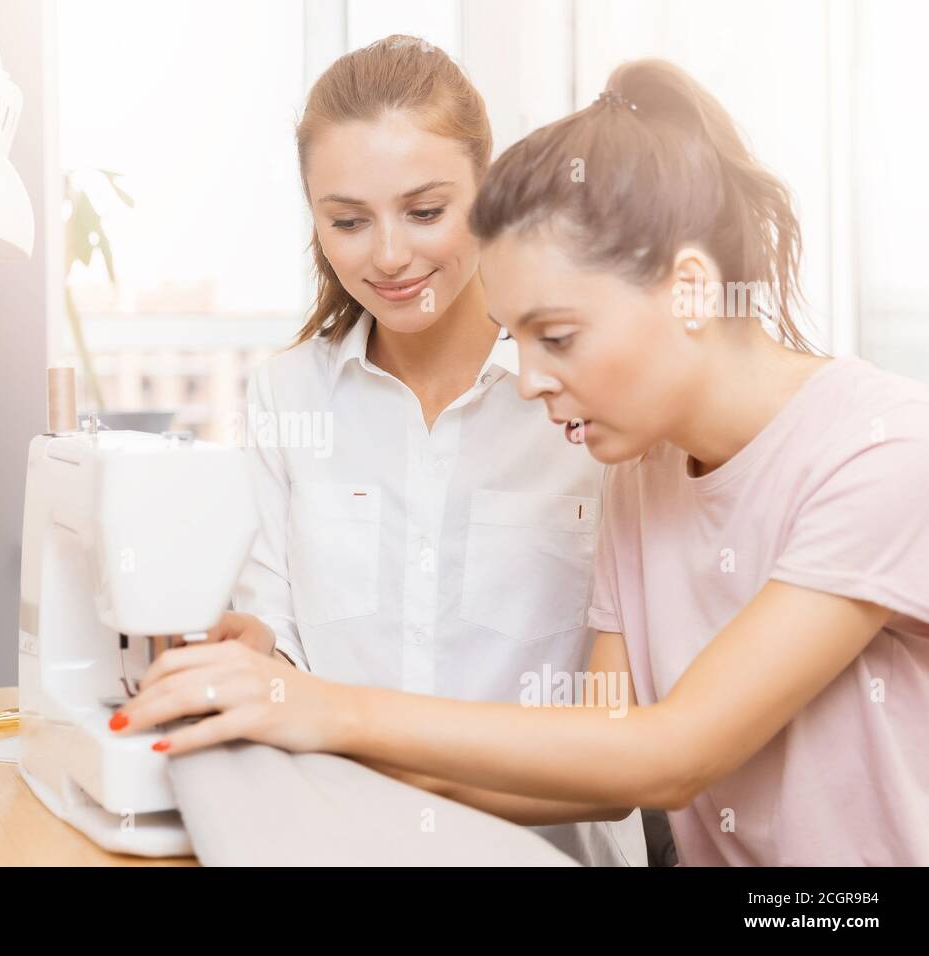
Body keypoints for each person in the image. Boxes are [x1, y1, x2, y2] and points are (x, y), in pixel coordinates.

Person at [117, 59, 929, 866]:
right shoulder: (642, 473)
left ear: (687, 289)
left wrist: (331, 714)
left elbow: (672, 755)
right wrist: (301, 729)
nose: (530, 379)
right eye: (350, 220)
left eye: (558, 338)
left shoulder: (883, 451)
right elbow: (608, 750)